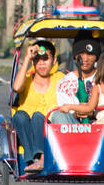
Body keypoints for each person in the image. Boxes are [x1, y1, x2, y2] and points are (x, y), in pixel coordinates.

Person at [10, 38, 66, 173]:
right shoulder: (27, 79)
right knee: (19, 116)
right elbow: (16, 87)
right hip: (26, 133)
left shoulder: (59, 78)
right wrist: (28, 57)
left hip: (50, 132)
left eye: (46, 59)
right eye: (38, 59)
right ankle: (31, 159)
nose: (41, 63)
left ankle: (39, 158)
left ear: (53, 61)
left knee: (38, 117)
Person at [54, 39, 101, 120]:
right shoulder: (64, 83)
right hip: (72, 127)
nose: (85, 59)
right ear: (75, 56)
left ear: (96, 57)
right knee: (58, 115)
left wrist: (92, 113)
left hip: (100, 126)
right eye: (81, 54)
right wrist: (77, 113)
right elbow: (65, 115)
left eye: (90, 54)